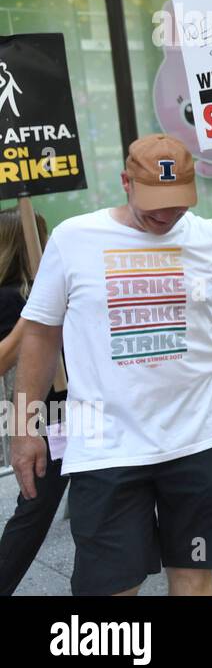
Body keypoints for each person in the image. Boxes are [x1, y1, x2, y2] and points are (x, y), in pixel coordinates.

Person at [11, 134, 212, 595]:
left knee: (194, 577)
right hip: (106, 451)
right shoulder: (74, 238)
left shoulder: (209, 237)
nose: (166, 215)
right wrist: (24, 430)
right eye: (155, 204)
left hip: (199, 441)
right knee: (108, 589)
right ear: (126, 182)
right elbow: (40, 336)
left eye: (177, 204)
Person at [0, 209, 63, 596]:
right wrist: (33, 314)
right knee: (35, 508)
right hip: (45, 410)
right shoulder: (10, 298)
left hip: (70, 404)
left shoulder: (51, 285)